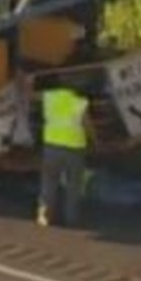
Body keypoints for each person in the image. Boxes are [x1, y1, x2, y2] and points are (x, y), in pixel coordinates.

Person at [36, 77, 92, 228]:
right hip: (75, 148)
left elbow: (31, 96)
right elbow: (87, 125)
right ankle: (71, 218)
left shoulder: (49, 97)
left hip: (51, 146)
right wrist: (96, 139)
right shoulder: (80, 102)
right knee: (73, 185)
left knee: (48, 183)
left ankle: (44, 218)